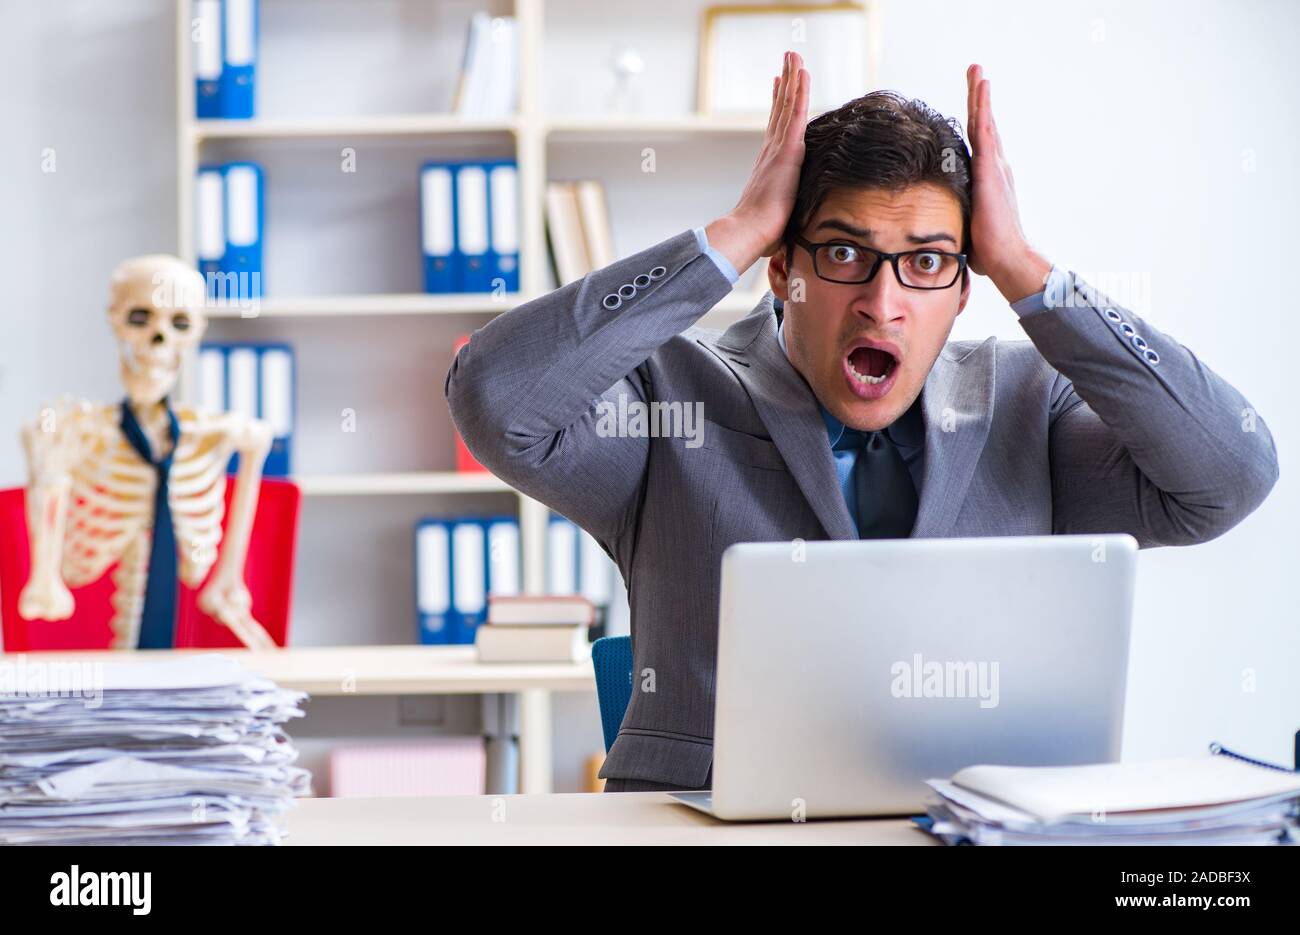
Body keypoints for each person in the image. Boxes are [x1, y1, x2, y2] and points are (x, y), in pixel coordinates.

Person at [446, 53, 1279, 792]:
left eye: (925, 262)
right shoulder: (674, 399)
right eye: (843, 254)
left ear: (963, 285)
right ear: (784, 268)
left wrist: (1029, 272)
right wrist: (726, 242)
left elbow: (1230, 475)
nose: (882, 305)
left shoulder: (1029, 403)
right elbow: (496, 399)